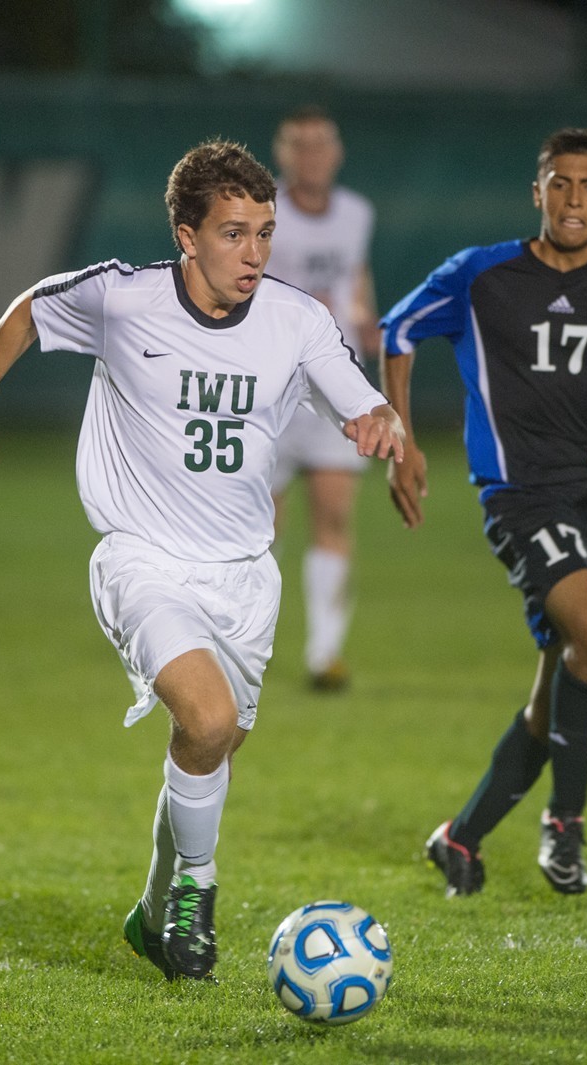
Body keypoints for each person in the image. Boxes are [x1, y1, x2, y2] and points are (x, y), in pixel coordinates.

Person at [0, 139, 405, 979]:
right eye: (234, 234)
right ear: (188, 237)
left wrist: (383, 424)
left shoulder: (295, 318)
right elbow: (27, 310)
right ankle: (198, 890)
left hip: (244, 576)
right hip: (142, 559)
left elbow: (363, 398)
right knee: (205, 721)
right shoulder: (124, 299)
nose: (255, 253)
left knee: (211, 751)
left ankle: (153, 911)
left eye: (265, 233)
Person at [378, 128, 587, 898]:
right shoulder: (482, 276)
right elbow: (397, 330)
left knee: (565, 684)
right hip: (521, 498)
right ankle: (566, 828)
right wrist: (401, 440)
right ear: (538, 190)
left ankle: (461, 836)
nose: (573, 199)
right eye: (559, 182)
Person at [266, 105, 381, 692]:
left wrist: (366, 320)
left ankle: (323, 653)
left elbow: (355, 279)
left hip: (333, 380)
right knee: (261, 528)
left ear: (336, 152)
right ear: (282, 154)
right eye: (299, 143)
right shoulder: (264, 213)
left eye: (321, 143)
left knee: (334, 515)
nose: (311, 154)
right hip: (268, 386)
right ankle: (241, 643)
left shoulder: (357, 213)